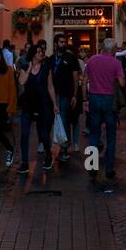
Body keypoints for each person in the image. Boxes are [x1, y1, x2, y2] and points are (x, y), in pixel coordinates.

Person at [83, 37, 125, 181]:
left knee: (94, 133)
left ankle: (92, 166)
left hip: (94, 98)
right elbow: (122, 82)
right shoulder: (115, 63)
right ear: (112, 49)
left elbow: (84, 80)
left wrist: (85, 99)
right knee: (111, 135)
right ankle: (109, 169)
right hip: (109, 100)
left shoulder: (92, 60)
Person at [17, 44, 58, 173]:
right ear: (33, 53)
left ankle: (49, 155)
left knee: (43, 134)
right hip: (28, 104)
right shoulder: (25, 66)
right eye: (39, 51)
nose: (41, 53)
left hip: (43, 104)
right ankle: (24, 163)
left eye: (42, 51)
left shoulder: (46, 68)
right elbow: (22, 82)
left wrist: (55, 104)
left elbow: (50, 87)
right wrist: (29, 69)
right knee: (24, 134)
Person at [50, 33, 81, 162]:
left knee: (64, 119)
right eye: (61, 42)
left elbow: (75, 77)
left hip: (66, 94)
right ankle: (53, 145)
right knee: (54, 119)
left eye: (64, 42)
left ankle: (64, 149)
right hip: (54, 93)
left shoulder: (71, 57)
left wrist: (74, 95)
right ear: (56, 44)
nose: (63, 44)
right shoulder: (51, 59)